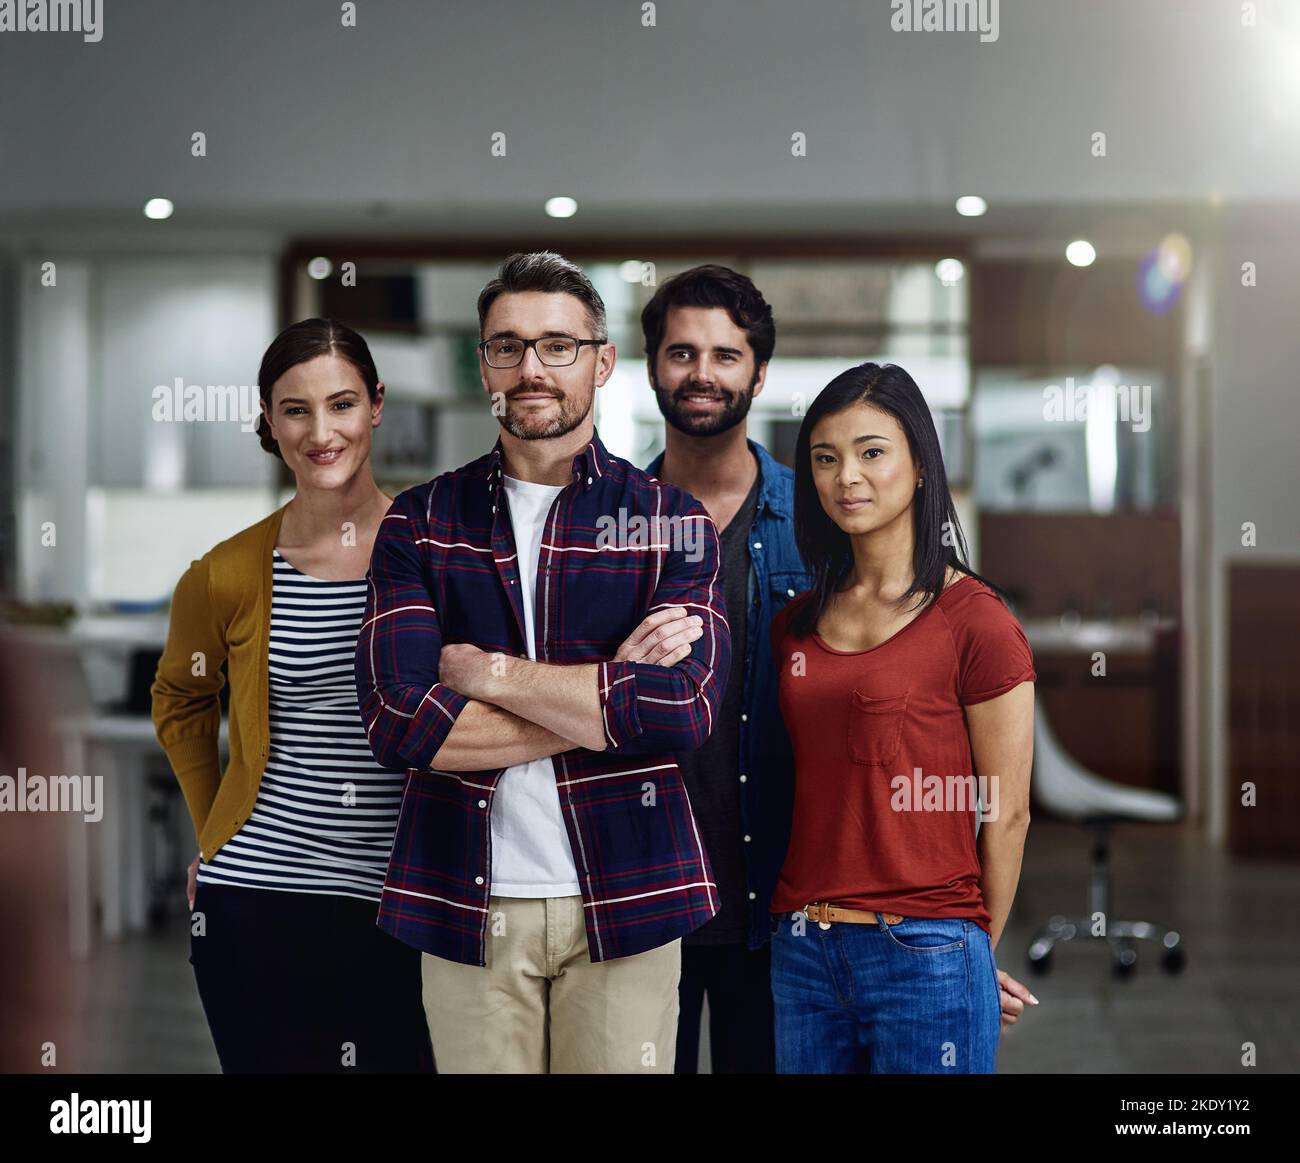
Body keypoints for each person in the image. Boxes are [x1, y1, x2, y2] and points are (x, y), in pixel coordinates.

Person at [354, 251, 731, 1074]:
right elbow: (400, 722)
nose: (531, 368)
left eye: (558, 346)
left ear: (602, 363)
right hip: (465, 899)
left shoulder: (669, 519)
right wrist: (603, 697)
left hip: (630, 893)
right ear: (483, 360)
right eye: (507, 346)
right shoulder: (420, 522)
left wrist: (486, 673)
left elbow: (683, 710)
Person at [151, 318, 433, 1073]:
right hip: (257, 899)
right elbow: (179, 697)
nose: (320, 431)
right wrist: (214, 828)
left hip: (403, 900)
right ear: (268, 421)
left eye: (340, 404)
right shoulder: (227, 572)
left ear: (376, 405)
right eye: (295, 409)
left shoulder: (437, 549)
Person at [769, 362, 1036, 1074]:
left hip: (926, 952)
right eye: (825, 458)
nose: (846, 475)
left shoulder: (976, 620)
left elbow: (1005, 811)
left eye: (871, 451)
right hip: (802, 952)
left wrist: (975, 952)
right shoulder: (794, 624)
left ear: (920, 464)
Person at [640, 264, 810, 1073]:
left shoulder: (814, 524)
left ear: (759, 373)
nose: (701, 373)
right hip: (641, 897)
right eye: (681, 352)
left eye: (725, 355)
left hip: (777, 903)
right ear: (650, 366)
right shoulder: (605, 520)